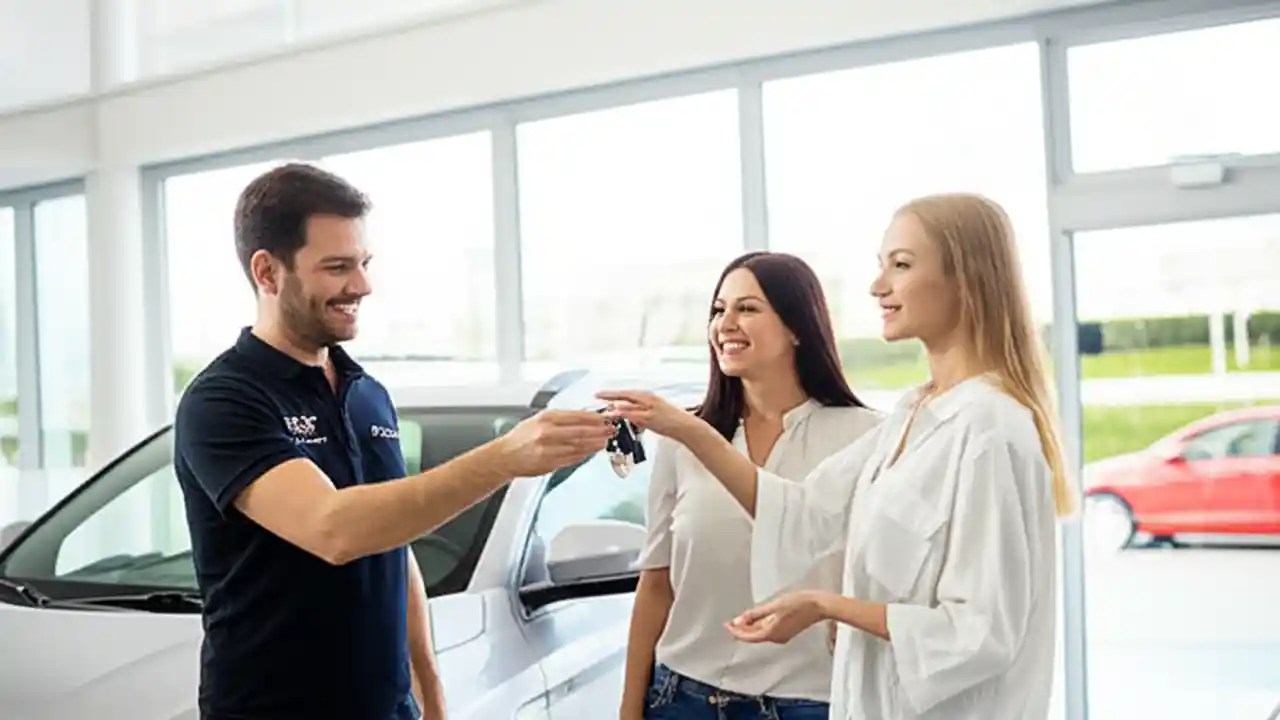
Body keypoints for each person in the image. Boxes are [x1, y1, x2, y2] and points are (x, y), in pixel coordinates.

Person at [601, 193, 1075, 720]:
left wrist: (827, 606)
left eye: (901, 265)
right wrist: (686, 429)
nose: (878, 286)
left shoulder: (990, 429)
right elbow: (803, 514)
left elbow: (982, 633)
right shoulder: (914, 414)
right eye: (881, 266)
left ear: (967, 279)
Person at [173, 162, 616, 720]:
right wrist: (508, 457)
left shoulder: (368, 394)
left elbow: (392, 541)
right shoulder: (224, 401)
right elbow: (335, 528)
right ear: (267, 272)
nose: (362, 285)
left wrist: (431, 694)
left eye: (363, 263)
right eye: (337, 267)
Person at [619, 251, 882, 720]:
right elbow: (656, 583)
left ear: (798, 327)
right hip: (680, 700)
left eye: (748, 308)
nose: (726, 324)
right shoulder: (682, 440)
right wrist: (628, 710)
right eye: (719, 310)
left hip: (809, 703)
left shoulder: (865, 437)